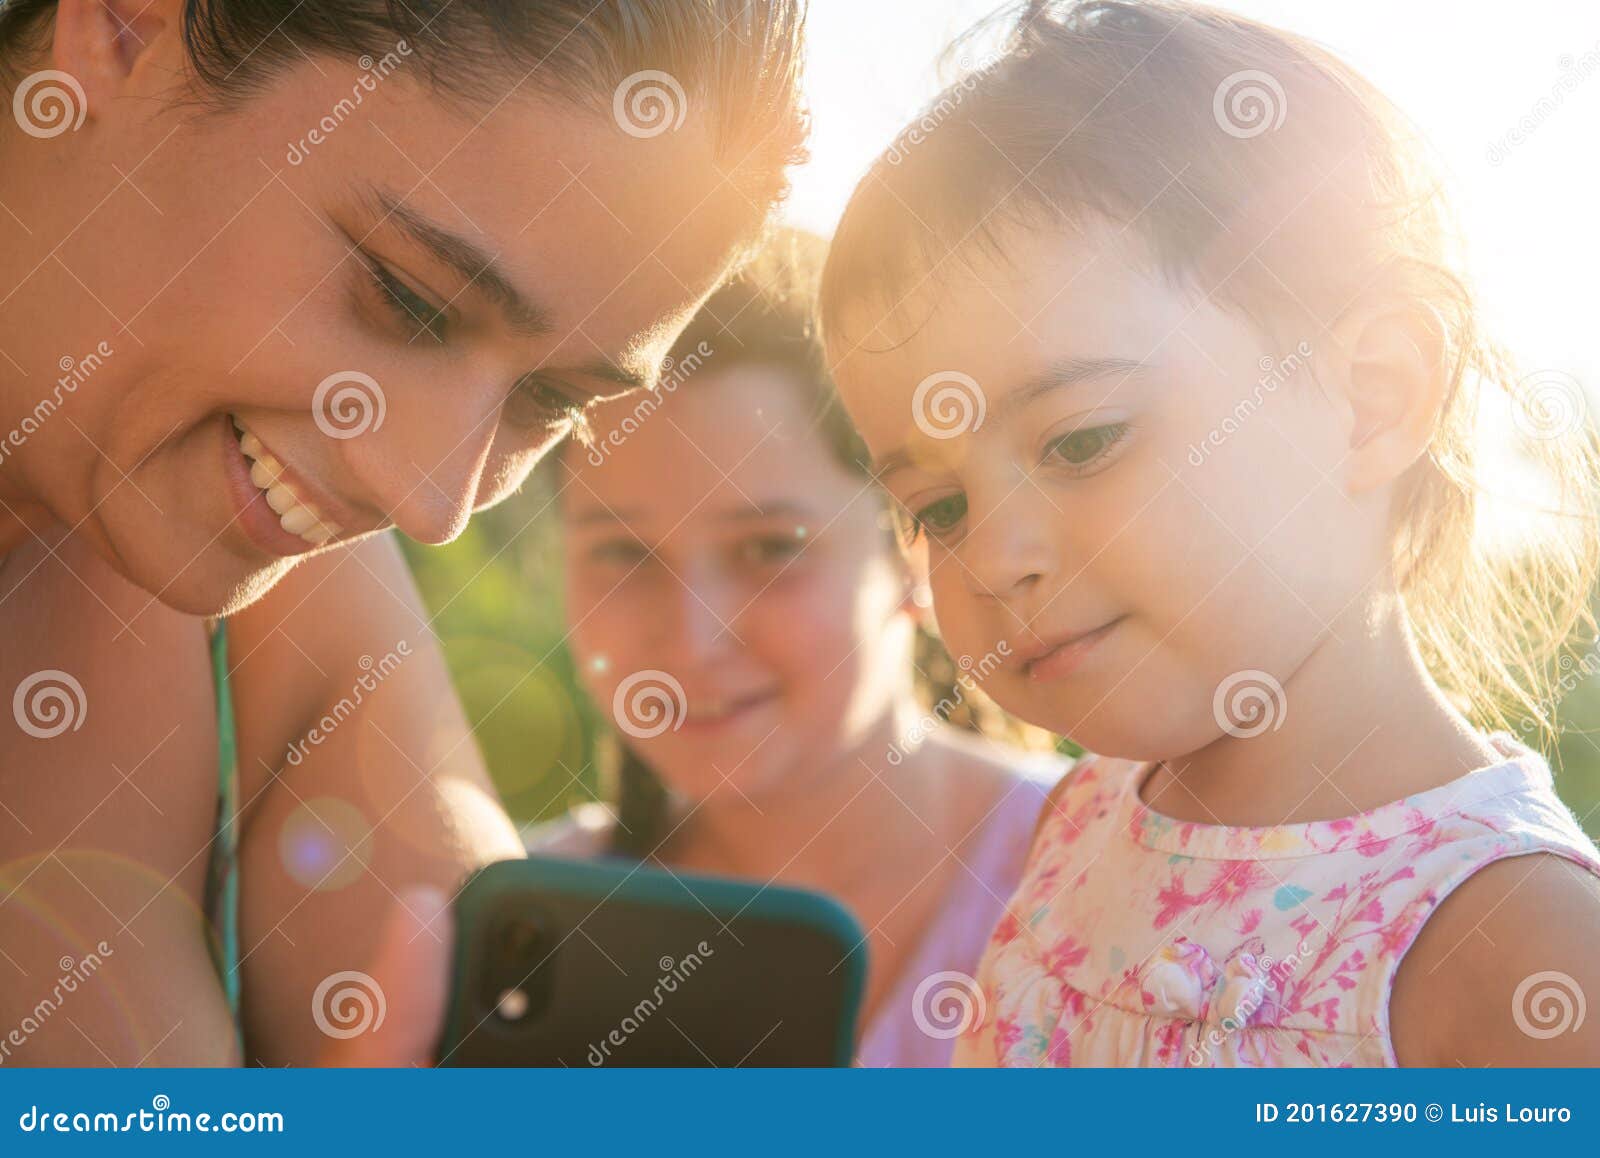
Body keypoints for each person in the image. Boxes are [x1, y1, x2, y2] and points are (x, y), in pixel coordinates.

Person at [0, 0, 807, 1066]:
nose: (434, 500)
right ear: (124, 28)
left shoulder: (256, 567)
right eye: (407, 300)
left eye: (549, 401)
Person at [819, 0, 1600, 1066]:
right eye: (938, 507)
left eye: (1082, 441)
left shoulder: (1518, 945)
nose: (996, 558)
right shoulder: (1078, 828)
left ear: (1371, 398)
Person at [530, 234, 1065, 1066]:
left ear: (916, 552)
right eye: (622, 554)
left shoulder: (1113, 874)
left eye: (770, 548)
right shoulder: (528, 929)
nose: (691, 638)